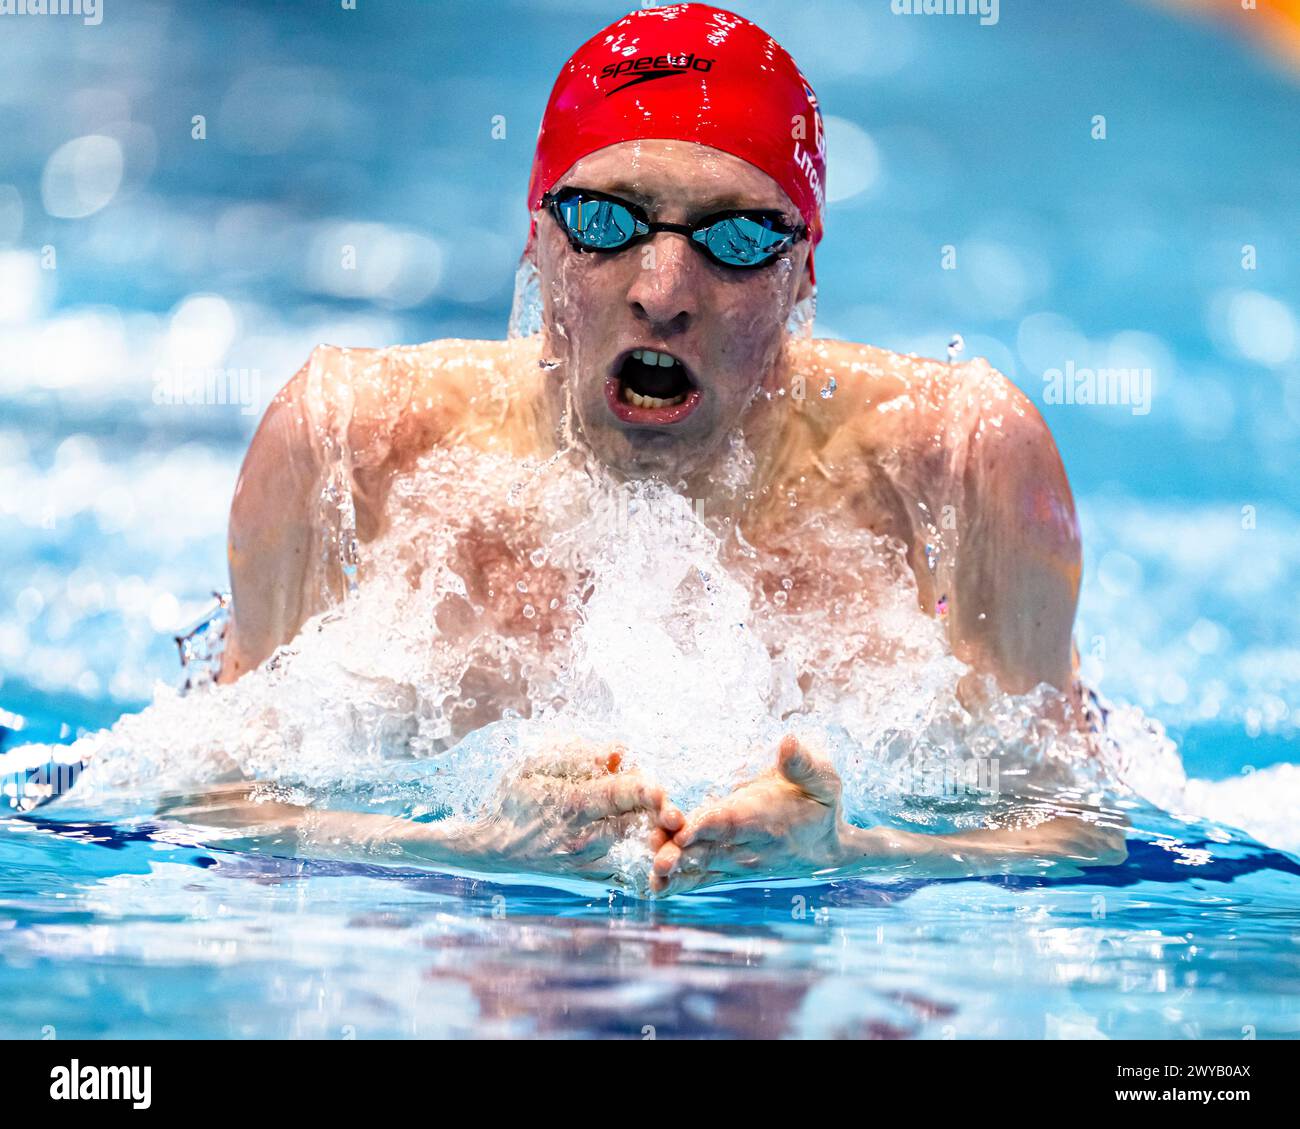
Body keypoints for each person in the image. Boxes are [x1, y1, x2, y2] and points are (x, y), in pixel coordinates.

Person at [195, 4, 1125, 894]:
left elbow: (1083, 832)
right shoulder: (347, 445)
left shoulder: (963, 464)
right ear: (536, 239)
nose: (664, 290)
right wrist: (462, 846)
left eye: (738, 235)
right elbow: (205, 801)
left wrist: (857, 852)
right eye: (607, 221)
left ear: (804, 268)